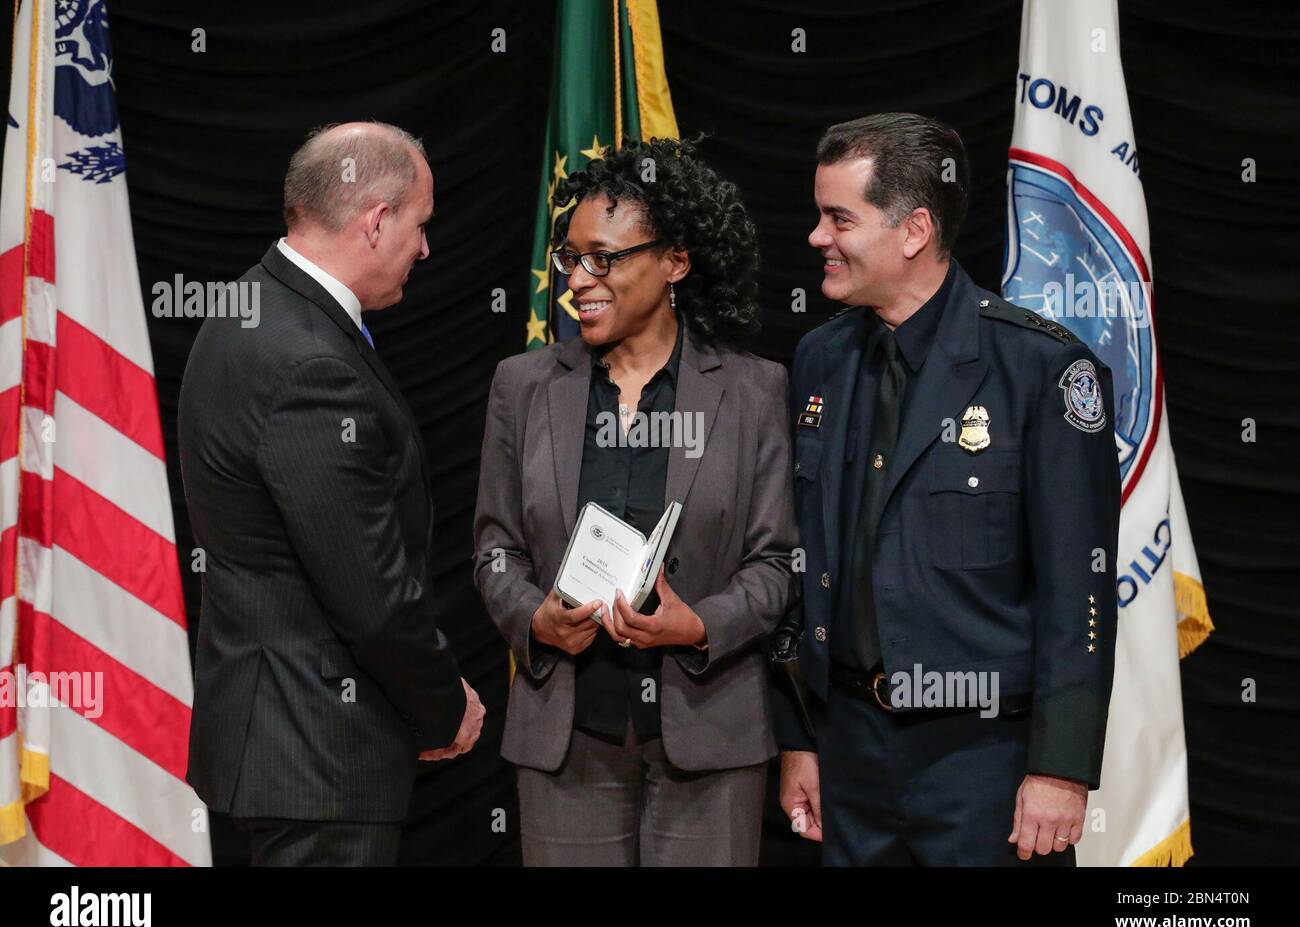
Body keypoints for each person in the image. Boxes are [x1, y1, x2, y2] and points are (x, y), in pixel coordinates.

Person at [773, 113, 1121, 866]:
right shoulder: (819, 361)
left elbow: (1080, 589)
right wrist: (800, 738)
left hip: (984, 761)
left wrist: (1060, 766)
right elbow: (800, 564)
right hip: (851, 755)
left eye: (838, 218)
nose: (816, 238)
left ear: (913, 230)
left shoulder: (1043, 371)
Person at [473, 138, 796, 866]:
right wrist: (537, 620)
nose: (580, 280)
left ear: (675, 261)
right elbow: (495, 550)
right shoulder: (521, 386)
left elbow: (776, 564)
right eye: (571, 259)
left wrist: (698, 624)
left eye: (605, 259)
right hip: (567, 736)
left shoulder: (752, 390)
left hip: (709, 737)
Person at [179, 122, 484, 866]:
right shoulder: (311, 363)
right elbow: (369, 592)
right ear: (377, 221)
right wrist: (445, 705)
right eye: (420, 225)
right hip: (316, 758)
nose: (425, 247)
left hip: (280, 743)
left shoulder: (245, 305)